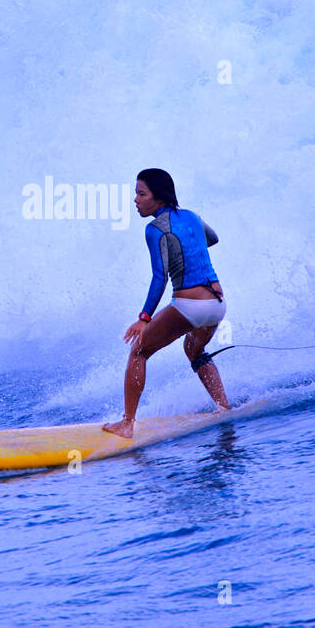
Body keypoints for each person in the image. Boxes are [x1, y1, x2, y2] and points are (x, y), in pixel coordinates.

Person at [103, 168, 230, 438]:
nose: (136, 200)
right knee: (194, 351)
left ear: (158, 197)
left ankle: (127, 423)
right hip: (218, 304)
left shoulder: (154, 229)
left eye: (141, 194)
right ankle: (223, 406)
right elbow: (214, 239)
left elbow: (159, 278)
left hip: (191, 305)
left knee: (139, 351)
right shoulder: (192, 216)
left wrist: (144, 318)